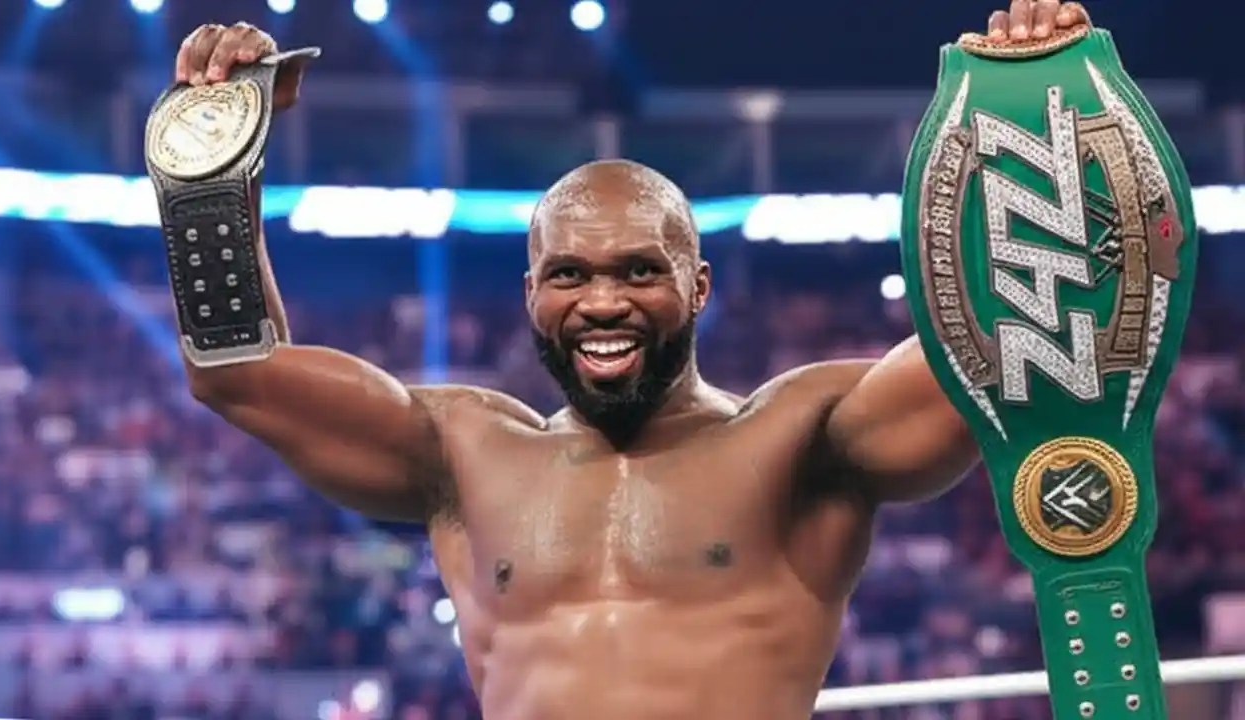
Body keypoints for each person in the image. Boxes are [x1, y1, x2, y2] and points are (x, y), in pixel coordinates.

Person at [172, 2, 1091, 718]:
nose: (602, 302)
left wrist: (1046, 128)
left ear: (697, 286)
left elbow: (1010, 350)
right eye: (569, 273)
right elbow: (234, 370)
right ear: (531, 291)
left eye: (639, 271)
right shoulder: (460, 452)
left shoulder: (802, 437)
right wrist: (215, 163)